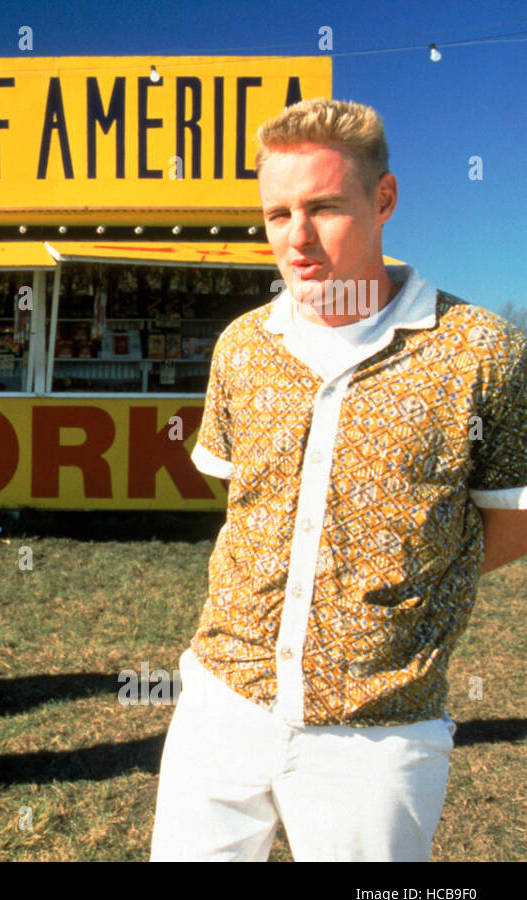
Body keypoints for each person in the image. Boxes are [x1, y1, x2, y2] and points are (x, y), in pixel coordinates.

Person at [150, 98, 527, 861]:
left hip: (378, 729)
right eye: (277, 213)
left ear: (383, 199)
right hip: (222, 704)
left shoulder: (480, 350)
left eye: (323, 207)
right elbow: (245, 508)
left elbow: (511, 520)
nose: (296, 238)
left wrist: (394, 590)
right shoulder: (243, 346)